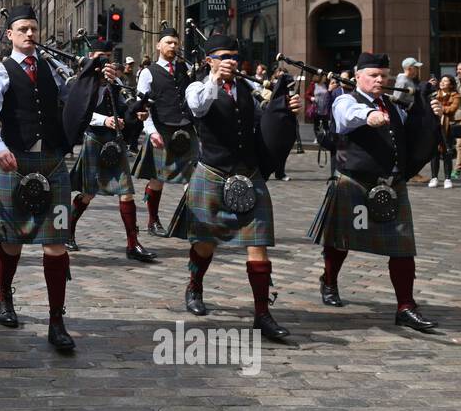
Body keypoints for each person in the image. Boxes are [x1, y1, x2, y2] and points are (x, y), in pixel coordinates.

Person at [170, 34, 302, 338]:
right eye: (224, 56)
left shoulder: (247, 88)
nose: (231, 61)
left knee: (258, 246)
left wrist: (284, 108)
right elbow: (198, 108)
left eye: (234, 56)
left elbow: (264, 118)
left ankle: (262, 314)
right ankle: (195, 285)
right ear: (209, 60)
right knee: (205, 244)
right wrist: (214, 79)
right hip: (213, 173)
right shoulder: (198, 86)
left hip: (247, 174)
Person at [309, 52, 440, 332]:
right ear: (358, 76)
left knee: (403, 247)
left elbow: (411, 134)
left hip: (390, 185)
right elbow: (346, 117)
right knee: (340, 241)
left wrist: (429, 114)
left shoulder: (393, 106)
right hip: (354, 182)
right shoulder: (345, 100)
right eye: (374, 75)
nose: (380, 80)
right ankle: (329, 281)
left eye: (384, 75)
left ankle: (405, 306)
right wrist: (369, 115)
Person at [0, 4, 78, 352]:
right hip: (15, 162)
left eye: (34, 29)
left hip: (51, 162)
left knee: (56, 242)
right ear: (10, 35)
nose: (30, 34)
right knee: (11, 241)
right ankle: (5, 296)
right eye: (23, 30)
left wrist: (94, 86)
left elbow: (74, 105)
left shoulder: (54, 70)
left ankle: (56, 319)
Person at [67, 37, 157, 264]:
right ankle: (67, 230)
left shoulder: (115, 83)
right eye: (100, 59)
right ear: (91, 58)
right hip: (94, 140)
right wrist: (105, 120)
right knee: (88, 194)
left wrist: (136, 113)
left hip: (114, 143)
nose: (105, 63)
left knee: (126, 192)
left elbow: (124, 111)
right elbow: (81, 111)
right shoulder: (82, 81)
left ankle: (132, 243)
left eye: (108, 59)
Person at [132, 25, 197, 236]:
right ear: (158, 45)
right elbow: (142, 106)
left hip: (185, 130)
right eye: (169, 42)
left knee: (193, 177)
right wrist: (151, 132)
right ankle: (152, 221)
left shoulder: (184, 70)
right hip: (162, 130)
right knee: (157, 179)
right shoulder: (147, 73)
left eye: (176, 43)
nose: (173, 46)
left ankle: (190, 221)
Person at [428, 75, 459, 189]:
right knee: (434, 153)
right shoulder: (434, 94)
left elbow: (452, 109)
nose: (442, 82)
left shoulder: (456, 95)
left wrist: (440, 108)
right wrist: (429, 87)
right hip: (435, 126)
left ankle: (447, 178)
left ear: (451, 84)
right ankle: (434, 177)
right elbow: (428, 107)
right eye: (442, 80)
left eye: (446, 81)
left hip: (448, 127)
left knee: (447, 152)